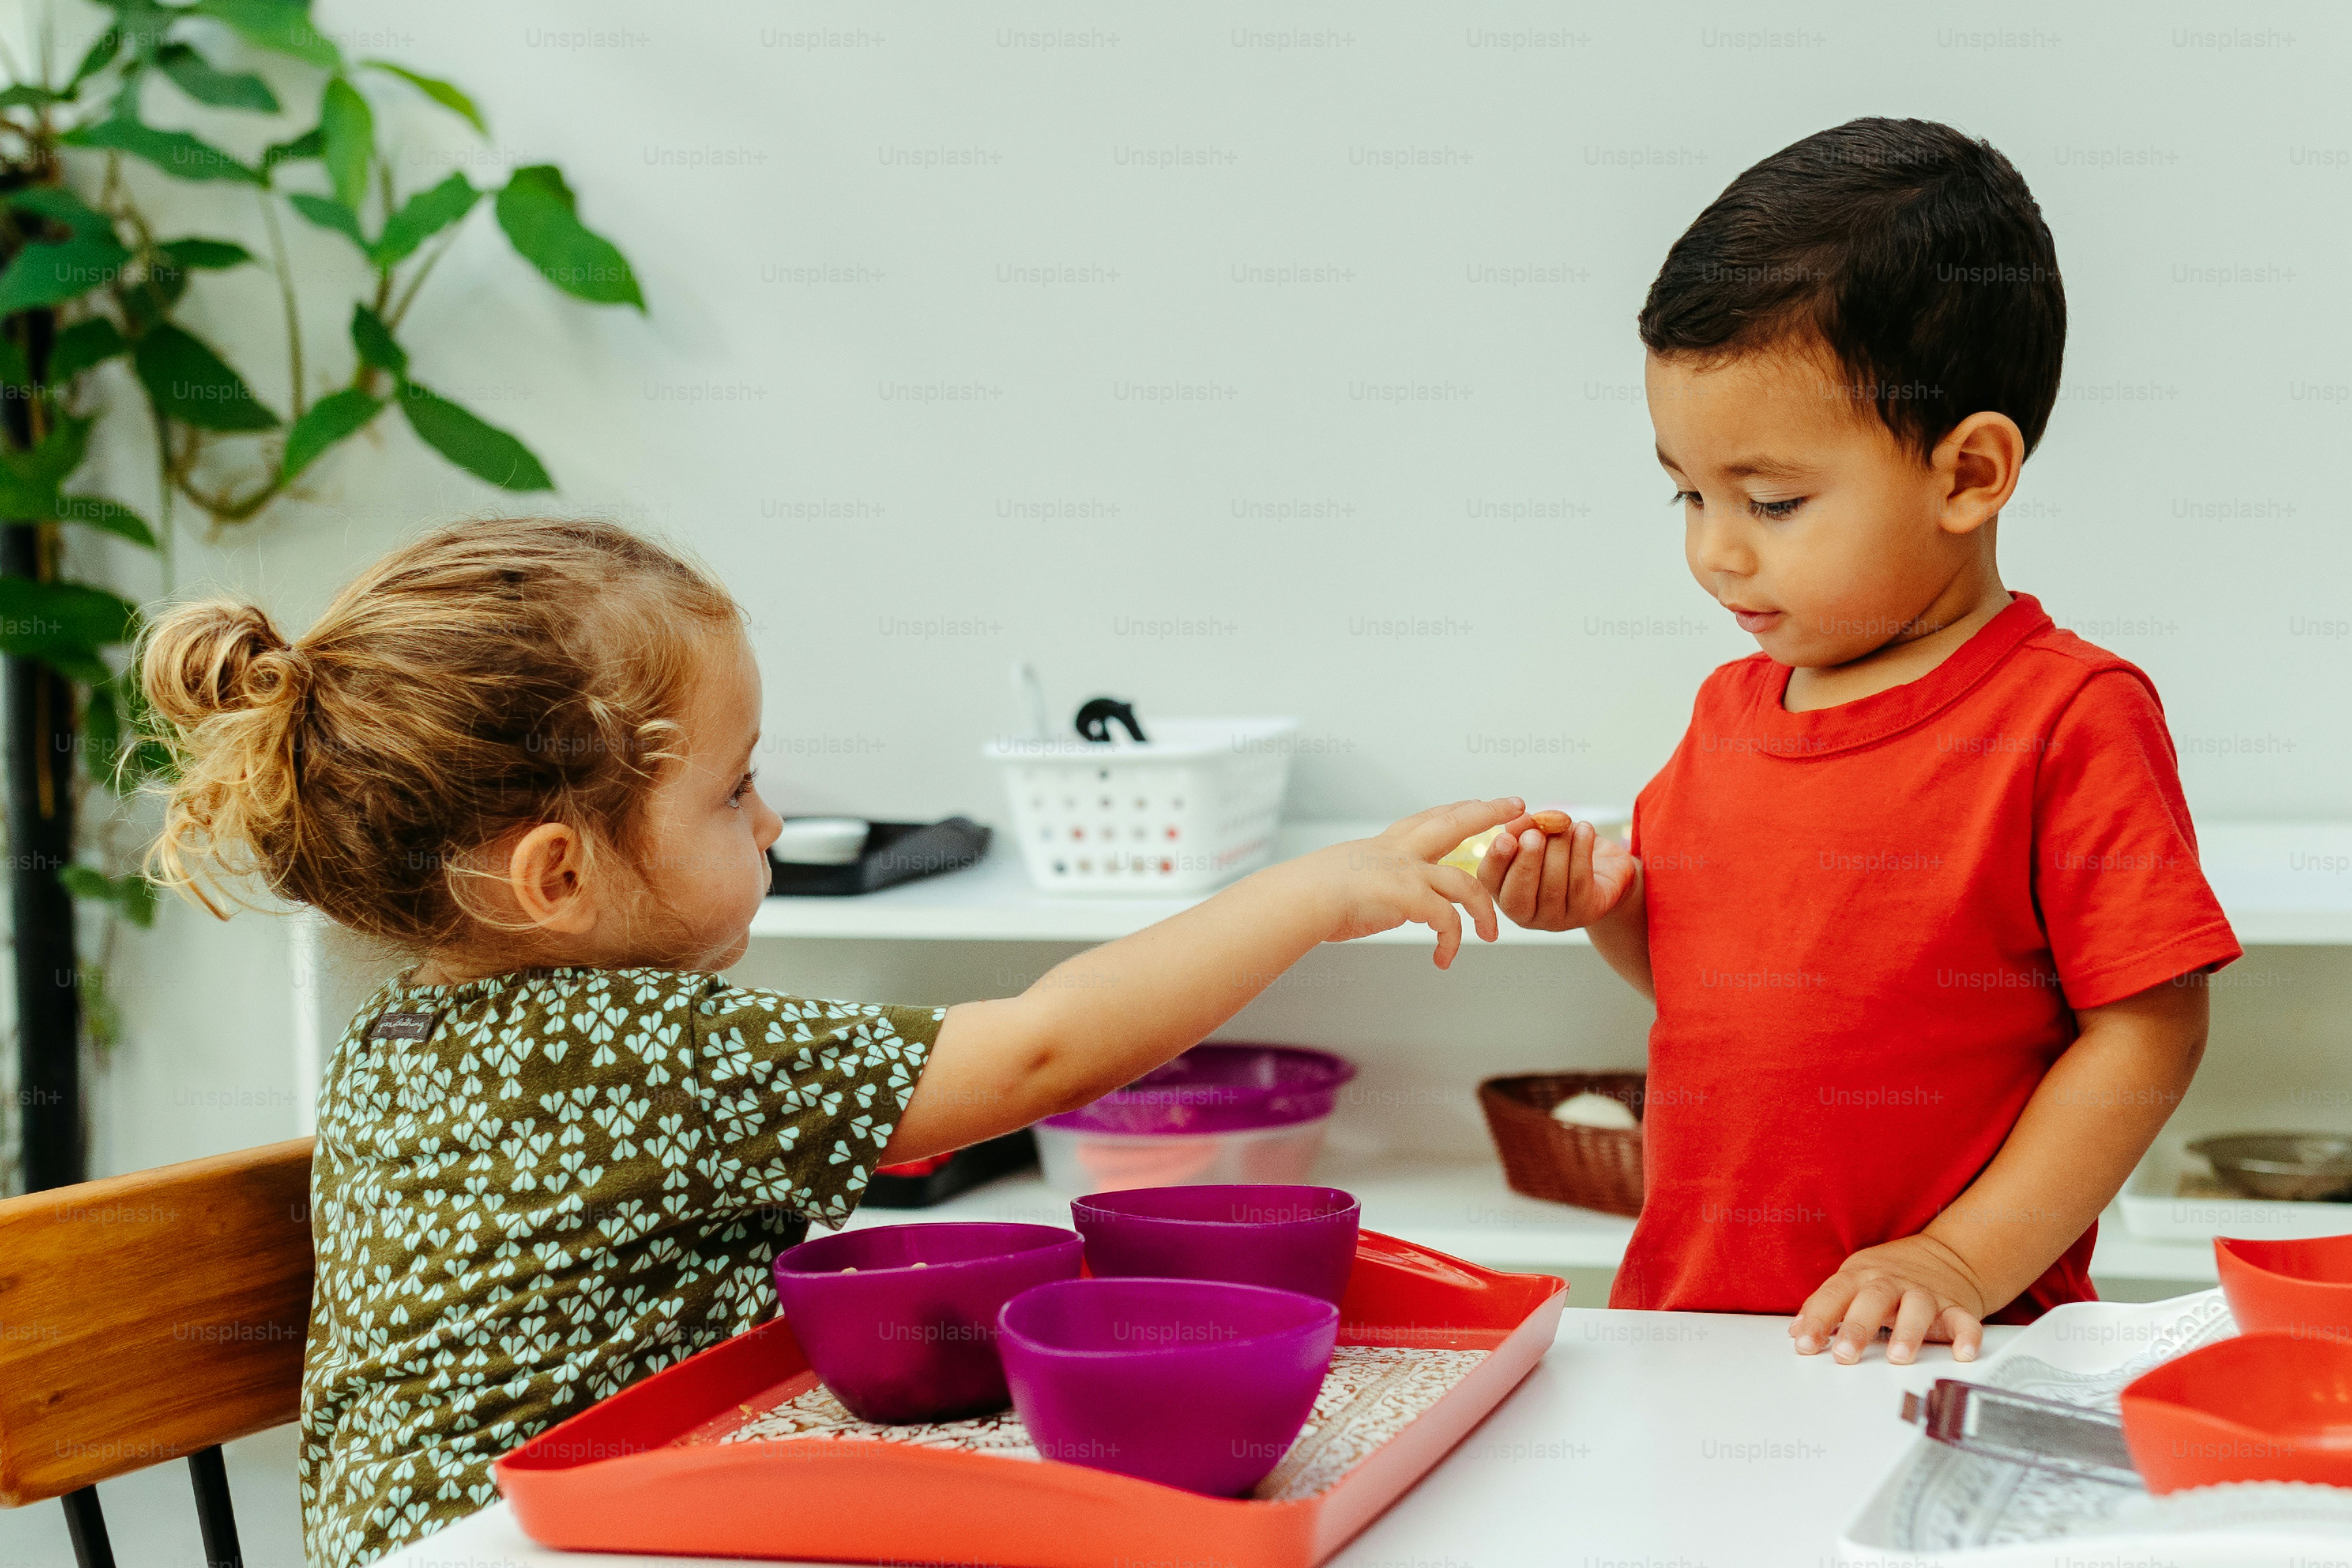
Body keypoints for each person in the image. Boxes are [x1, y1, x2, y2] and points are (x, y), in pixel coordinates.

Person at [139, 516, 1519, 1568]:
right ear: (556, 875)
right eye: (735, 791)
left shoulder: (401, 1033)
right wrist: (1306, 897)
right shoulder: (644, 1049)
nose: (775, 828)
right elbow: (1039, 1056)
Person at [1478, 118, 2239, 1367]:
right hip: (1689, 1333)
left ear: (1970, 472)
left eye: (1772, 501)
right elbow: (1716, 986)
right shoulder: (1731, 711)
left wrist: (1958, 1261)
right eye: (1690, 492)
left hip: (1947, 1342)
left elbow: (2152, 1031)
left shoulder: (2067, 716)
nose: (1717, 550)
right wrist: (1604, 903)